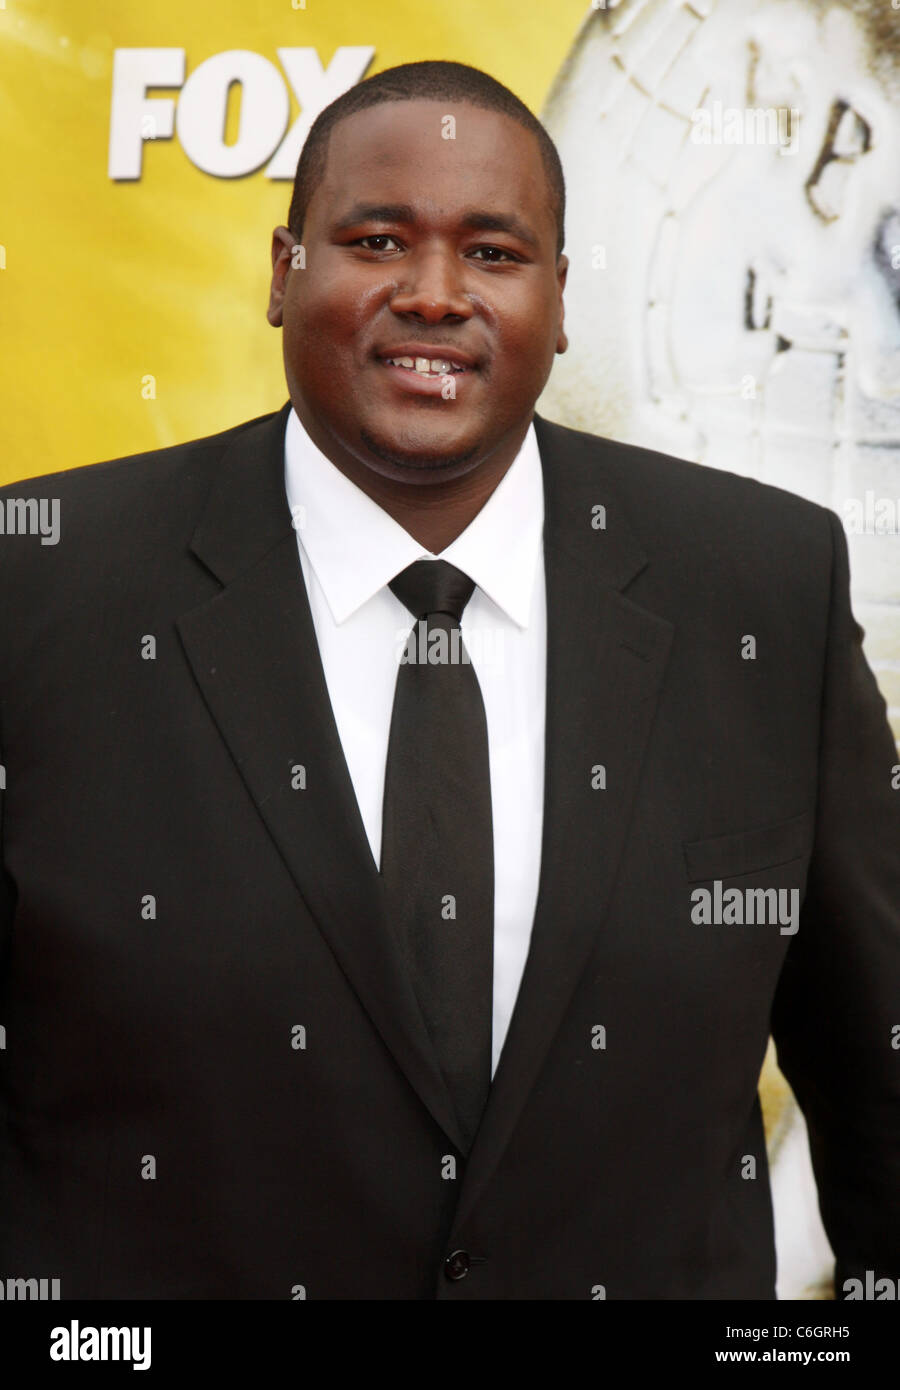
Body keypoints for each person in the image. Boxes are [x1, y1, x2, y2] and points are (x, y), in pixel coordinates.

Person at [0, 60, 897, 1300]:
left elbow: (877, 1082)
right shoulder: (41, 584)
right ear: (282, 271)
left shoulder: (763, 588)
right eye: (376, 239)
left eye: (493, 252)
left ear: (562, 299)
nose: (434, 295)